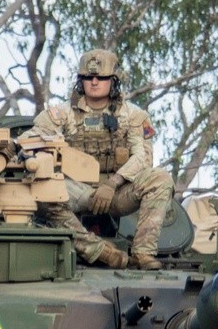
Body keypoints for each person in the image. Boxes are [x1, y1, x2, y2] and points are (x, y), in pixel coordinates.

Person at [33, 49, 174, 270]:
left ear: (113, 81)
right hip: (77, 192)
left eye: (101, 78)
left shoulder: (134, 116)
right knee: (39, 189)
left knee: (160, 178)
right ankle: (97, 250)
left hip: (118, 193)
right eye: (88, 77)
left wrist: (113, 183)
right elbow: (33, 141)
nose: (94, 82)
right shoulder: (60, 114)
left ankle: (143, 254)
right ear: (81, 81)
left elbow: (143, 158)